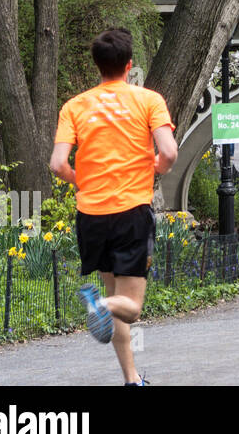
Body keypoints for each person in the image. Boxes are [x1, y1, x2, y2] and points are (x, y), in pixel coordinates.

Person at [51, 28, 177, 386]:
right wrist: (154, 170)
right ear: (129, 65)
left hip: (91, 215)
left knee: (115, 299)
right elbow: (168, 152)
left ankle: (131, 379)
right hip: (130, 212)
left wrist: (82, 181)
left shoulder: (74, 106)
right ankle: (99, 306)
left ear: (97, 66)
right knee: (130, 308)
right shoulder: (149, 100)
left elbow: (58, 164)